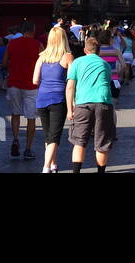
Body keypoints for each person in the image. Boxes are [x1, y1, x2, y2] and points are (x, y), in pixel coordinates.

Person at [68, 35, 117, 173]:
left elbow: (70, 86)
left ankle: (76, 172)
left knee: (79, 142)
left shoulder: (77, 62)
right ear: (99, 51)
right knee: (101, 143)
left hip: (83, 103)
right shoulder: (104, 64)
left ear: (85, 50)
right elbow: (108, 83)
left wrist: (69, 108)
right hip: (103, 102)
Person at [33, 25, 74, 173]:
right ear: (64, 40)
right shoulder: (68, 57)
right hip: (58, 99)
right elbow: (71, 82)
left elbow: (34, 80)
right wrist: (72, 104)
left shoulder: (42, 57)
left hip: (42, 99)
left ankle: (53, 164)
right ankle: (45, 167)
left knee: (48, 136)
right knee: (54, 136)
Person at [3, 21, 43, 160]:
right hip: (31, 85)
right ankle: (28, 148)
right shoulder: (38, 45)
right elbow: (42, 65)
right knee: (31, 117)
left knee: (15, 113)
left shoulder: (11, 44)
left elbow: (3, 63)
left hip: (14, 82)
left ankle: (15, 139)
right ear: (33, 30)